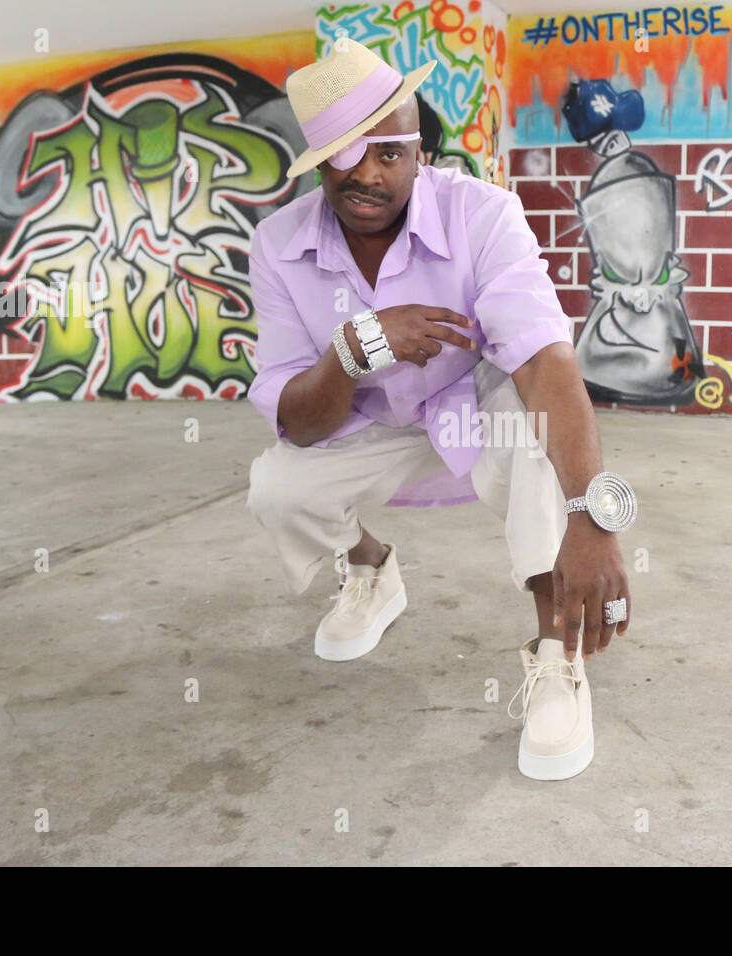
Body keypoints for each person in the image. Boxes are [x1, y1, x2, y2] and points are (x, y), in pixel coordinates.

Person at [244, 37, 638, 780]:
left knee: (532, 430)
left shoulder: (482, 215)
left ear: (419, 152)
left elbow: (546, 359)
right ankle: (371, 570)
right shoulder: (278, 244)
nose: (368, 172)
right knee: (276, 489)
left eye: (389, 151)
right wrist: (357, 347)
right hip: (368, 424)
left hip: (471, 410)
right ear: (315, 159)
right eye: (346, 152)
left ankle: (556, 661)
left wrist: (591, 513)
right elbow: (298, 420)